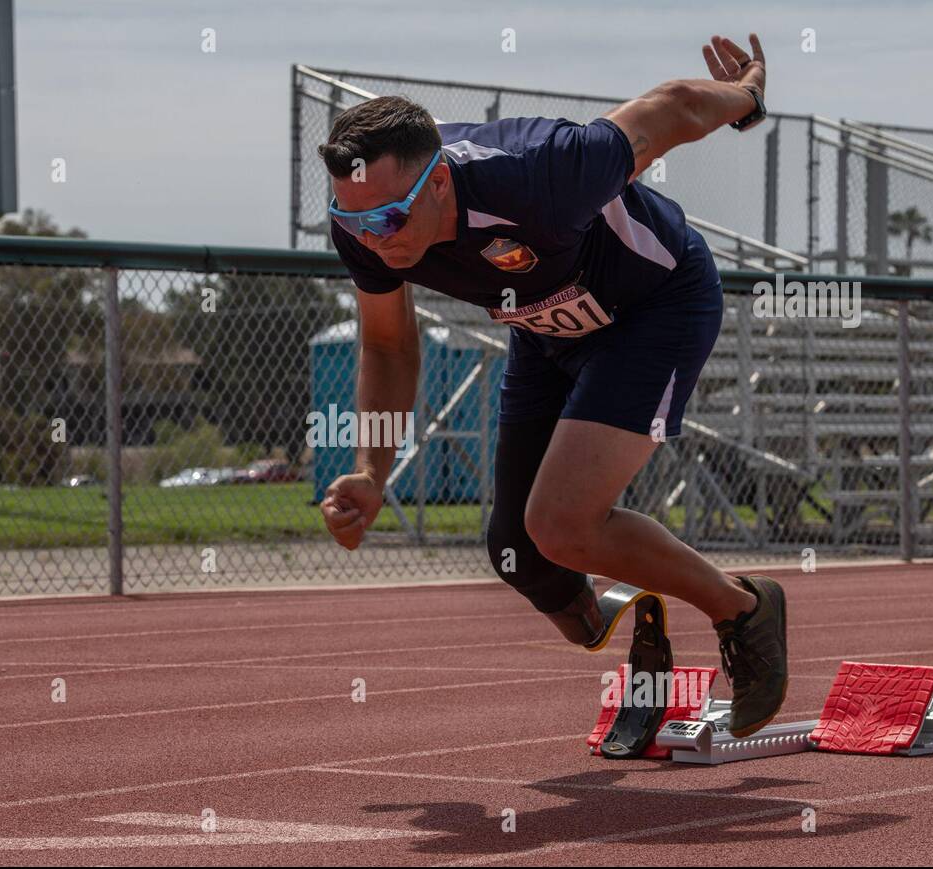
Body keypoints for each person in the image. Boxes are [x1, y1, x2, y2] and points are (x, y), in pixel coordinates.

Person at [316, 35, 788, 737]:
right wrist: (369, 469)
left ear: (439, 181)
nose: (374, 239)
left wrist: (748, 97)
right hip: (542, 330)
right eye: (354, 222)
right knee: (519, 556)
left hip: (653, 308)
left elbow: (674, 108)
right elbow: (387, 343)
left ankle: (743, 609)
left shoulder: (542, 172)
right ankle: (624, 602)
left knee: (561, 524)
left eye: (387, 218)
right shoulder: (364, 224)